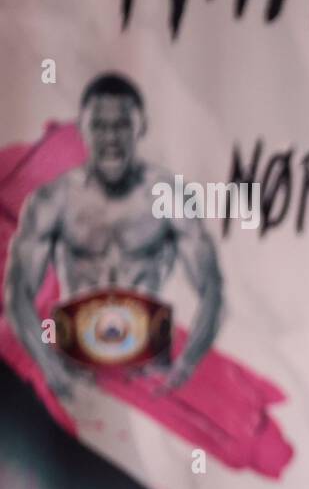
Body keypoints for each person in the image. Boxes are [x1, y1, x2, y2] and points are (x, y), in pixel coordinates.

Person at [3, 72, 223, 396]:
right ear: (82, 130)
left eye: (121, 125)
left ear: (140, 127)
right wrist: (50, 369)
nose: (111, 138)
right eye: (99, 127)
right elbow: (18, 293)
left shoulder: (169, 195)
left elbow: (211, 287)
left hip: (150, 373)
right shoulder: (54, 199)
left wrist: (187, 363)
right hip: (77, 373)